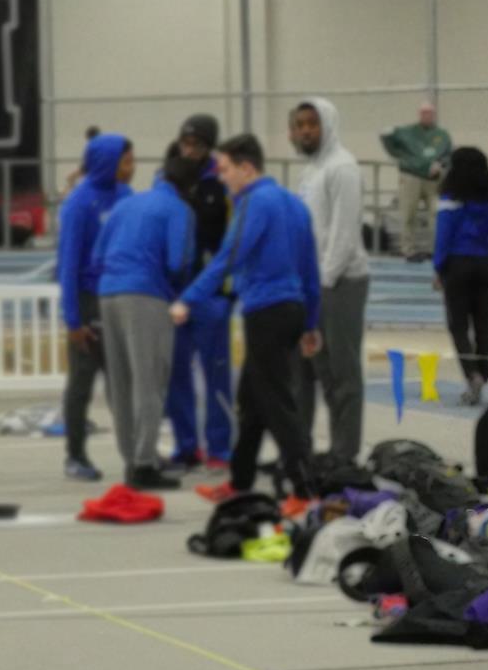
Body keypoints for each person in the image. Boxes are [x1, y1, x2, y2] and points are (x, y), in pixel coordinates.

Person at [177, 135, 321, 508]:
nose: (221, 178)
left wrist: (189, 299)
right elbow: (310, 269)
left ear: (246, 168)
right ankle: (240, 480)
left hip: (267, 311)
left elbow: (230, 256)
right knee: (252, 401)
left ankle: (304, 491)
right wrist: (311, 323)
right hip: (290, 311)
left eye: (224, 170)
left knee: (276, 402)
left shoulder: (255, 202)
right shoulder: (294, 204)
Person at [92, 144, 197, 491]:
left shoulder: (126, 203)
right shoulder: (178, 208)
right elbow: (178, 261)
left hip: (108, 292)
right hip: (146, 294)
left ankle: (131, 458)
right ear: (188, 188)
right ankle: (143, 464)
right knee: (150, 381)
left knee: (121, 384)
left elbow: (97, 254)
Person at [290, 98, 371, 463]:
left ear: (327, 124)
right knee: (314, 370)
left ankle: (345, 451)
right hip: (314, 283)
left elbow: (343, 234)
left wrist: (321, 283)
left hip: (340, 284)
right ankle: (311, 448)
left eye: (312, 123)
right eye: (299, 124)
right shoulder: (310, 172)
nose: (305, 130)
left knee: (342, 373)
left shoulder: (343, 168)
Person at [56, 134, 135, 480]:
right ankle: (75, 455)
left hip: (118, 297)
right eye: (126, 162)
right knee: (82, 382)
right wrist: (73, 319)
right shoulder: (79, 204)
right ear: (107, 162)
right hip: (88, 301)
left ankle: (137, 454)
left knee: (125, 382)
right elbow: (68, 264)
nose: (132, 169)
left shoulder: (127, 198)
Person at [165, 115, 233, 473]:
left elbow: (231, 243)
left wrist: (225, 293)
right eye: (185, 142)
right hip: (176, 294)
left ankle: (220, 448)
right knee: (176, 372)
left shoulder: (220, 183)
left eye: (197, 144)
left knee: (216, 374)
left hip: (210, 295)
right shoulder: (168, 179)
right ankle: (186, 446)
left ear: (209, 147)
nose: (189, 150)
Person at [434, 146, 488, 405]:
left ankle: (471, 374)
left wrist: (438, 267)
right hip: (483, 265)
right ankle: (484, 372)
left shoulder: (450, 199)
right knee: (483, 324)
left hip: (457, 265)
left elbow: (443, 237)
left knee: (458, 325)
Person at [380, 102, 452, 259]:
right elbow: (389, 142)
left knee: (436, 214)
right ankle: (408, 249)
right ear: (419, 114)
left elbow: (448, 154)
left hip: (433, 180)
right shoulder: (406, 132)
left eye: (430, 113)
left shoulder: (442, 135)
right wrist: (386, 137)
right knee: (408, 214)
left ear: (434, 115)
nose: (427, 116)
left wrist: (441, 164)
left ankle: (436, 249)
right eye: (424, 113)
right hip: (411, 176)